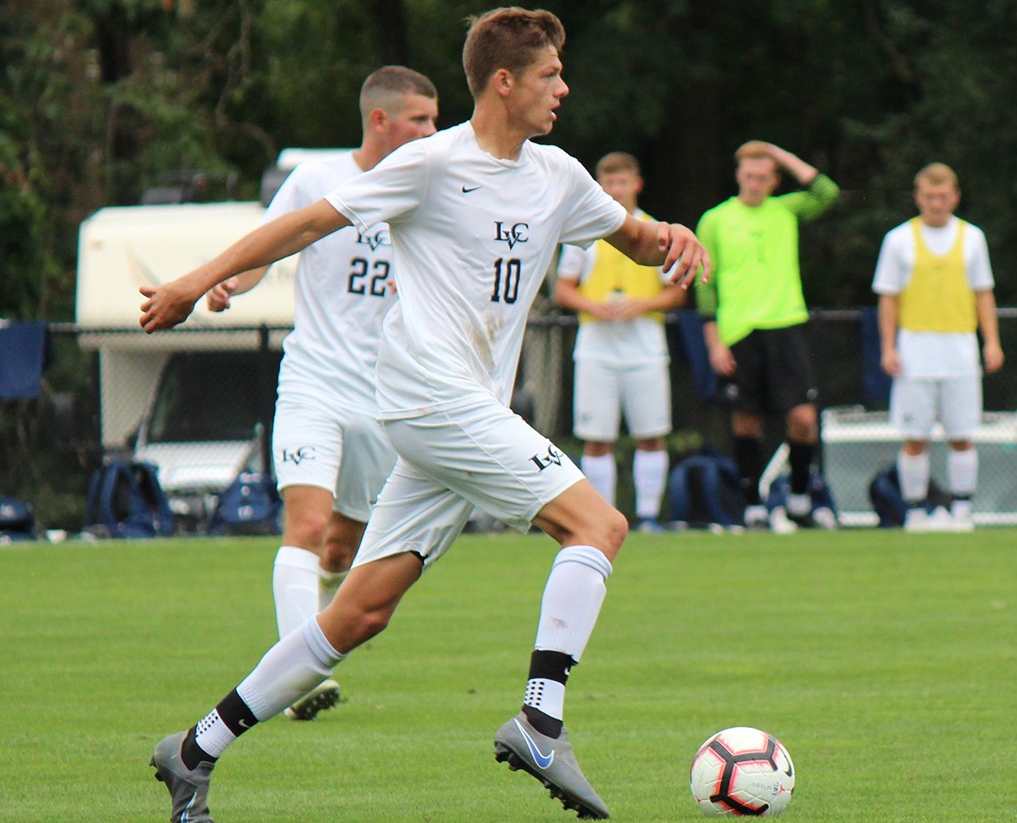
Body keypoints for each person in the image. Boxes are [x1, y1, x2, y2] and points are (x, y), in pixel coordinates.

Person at [138, 8, 709, 821]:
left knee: (359, 612)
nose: (563, 87)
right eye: (549, 74)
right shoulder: (432, 164)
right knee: (598, 525)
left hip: (458, 414)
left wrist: (674, 238)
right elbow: (305, 222)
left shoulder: (557, 175)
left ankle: (194, 749)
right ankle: (540, 718)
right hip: (429, 396)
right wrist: (196, 280)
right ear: (504, 82)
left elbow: (638, 240)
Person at [203, 66, 438, 721]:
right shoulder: (318, 180)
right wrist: (232, 283)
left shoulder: (428, 188)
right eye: (419, 119)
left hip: (387, 396)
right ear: (379, 121)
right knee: (305, 526)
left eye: (434, 118)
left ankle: (308, 625)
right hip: (315, 380)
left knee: (340, 550)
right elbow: (269, 247)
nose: (431, 130)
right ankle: (295, 676)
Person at [694, 140, 839, 533]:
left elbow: (827, 193)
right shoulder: (715, 220)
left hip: (785, 326)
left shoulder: (786, 211)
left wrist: (783, 155)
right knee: (745, 420)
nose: (755, 183)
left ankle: (798, 497)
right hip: (739, 329)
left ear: (773, 179)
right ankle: (752, 504)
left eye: (762, 176)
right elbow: (705, 286)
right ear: (738, 176)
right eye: (748, 175)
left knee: (803, 419)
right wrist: (715, 342)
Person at [553, 152, 687, 532]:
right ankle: (603, 517)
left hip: (645, 348)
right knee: (597, 438)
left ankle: (646, 516)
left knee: (651, 434)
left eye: (622, 182)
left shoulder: (657, 231)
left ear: (637, 185)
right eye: (609, 183)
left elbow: (676, 293)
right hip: (596, 348)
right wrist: (593, 306)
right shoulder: (584, 232)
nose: (616, 190)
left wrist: (641, 305)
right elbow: (564, 290)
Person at [872, 162, 1002, 532]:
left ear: (955, 197)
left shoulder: (972, 238)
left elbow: (983, 294)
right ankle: (914, 510)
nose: (936, 203)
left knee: (962, 434)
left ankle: (962, 509)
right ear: (918, 198)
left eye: (943, 196)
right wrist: (888, 347)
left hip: (960, 349)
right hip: (915, 350)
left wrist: (990, 341)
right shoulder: (898, 240)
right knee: (916, 436)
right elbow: (889, 298)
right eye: (930, 196)